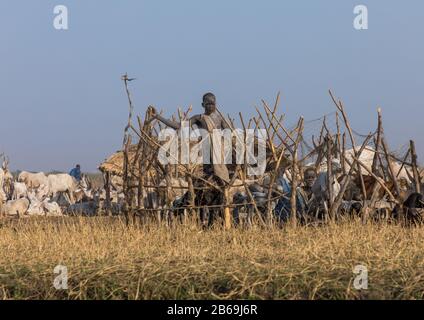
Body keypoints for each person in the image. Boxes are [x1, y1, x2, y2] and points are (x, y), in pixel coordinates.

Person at [150, 92, 231, 184]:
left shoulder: (220, 118)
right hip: (206, 150)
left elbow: (229, 132)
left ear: (216, 104)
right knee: (209, 174)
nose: (211, 106)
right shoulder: (199, 118)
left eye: (213, 104)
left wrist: (221, 140)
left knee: (221, 174)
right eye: (208, 104)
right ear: (202, 105)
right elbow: (179, 126)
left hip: (218, 150)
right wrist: (158, 116)